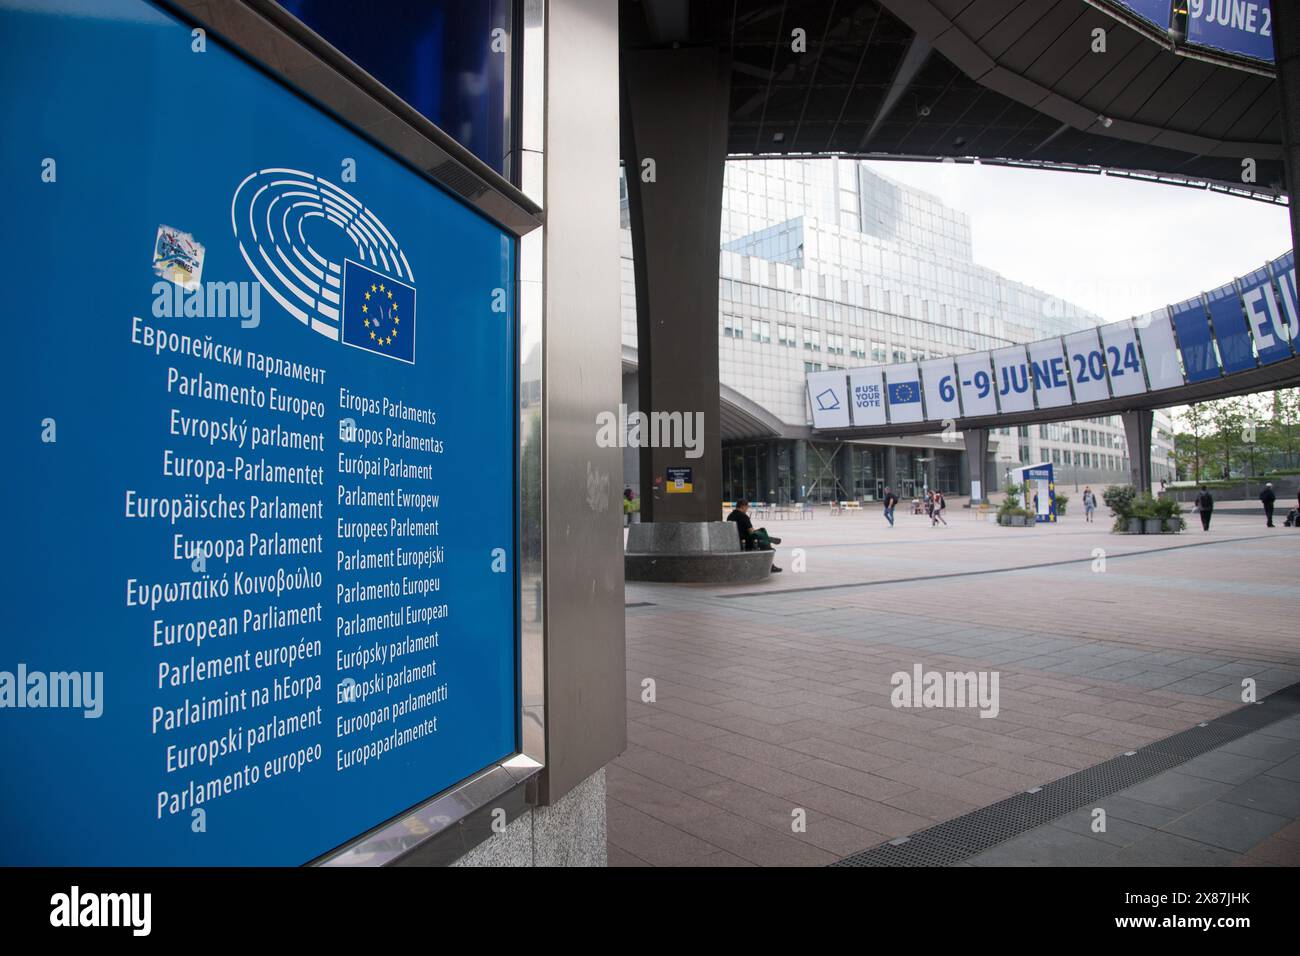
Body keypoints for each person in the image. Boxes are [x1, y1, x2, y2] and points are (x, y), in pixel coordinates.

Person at [726, 499, 782, 572]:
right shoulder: (744, 516)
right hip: (746, 542)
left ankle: (767, 539)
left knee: (762, 537)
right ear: (743, 506)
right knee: (763, 540)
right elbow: (751, 531)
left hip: (735, 541)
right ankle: (771, 564)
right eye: (747, 507)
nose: (747, 509)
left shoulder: (730, 516)